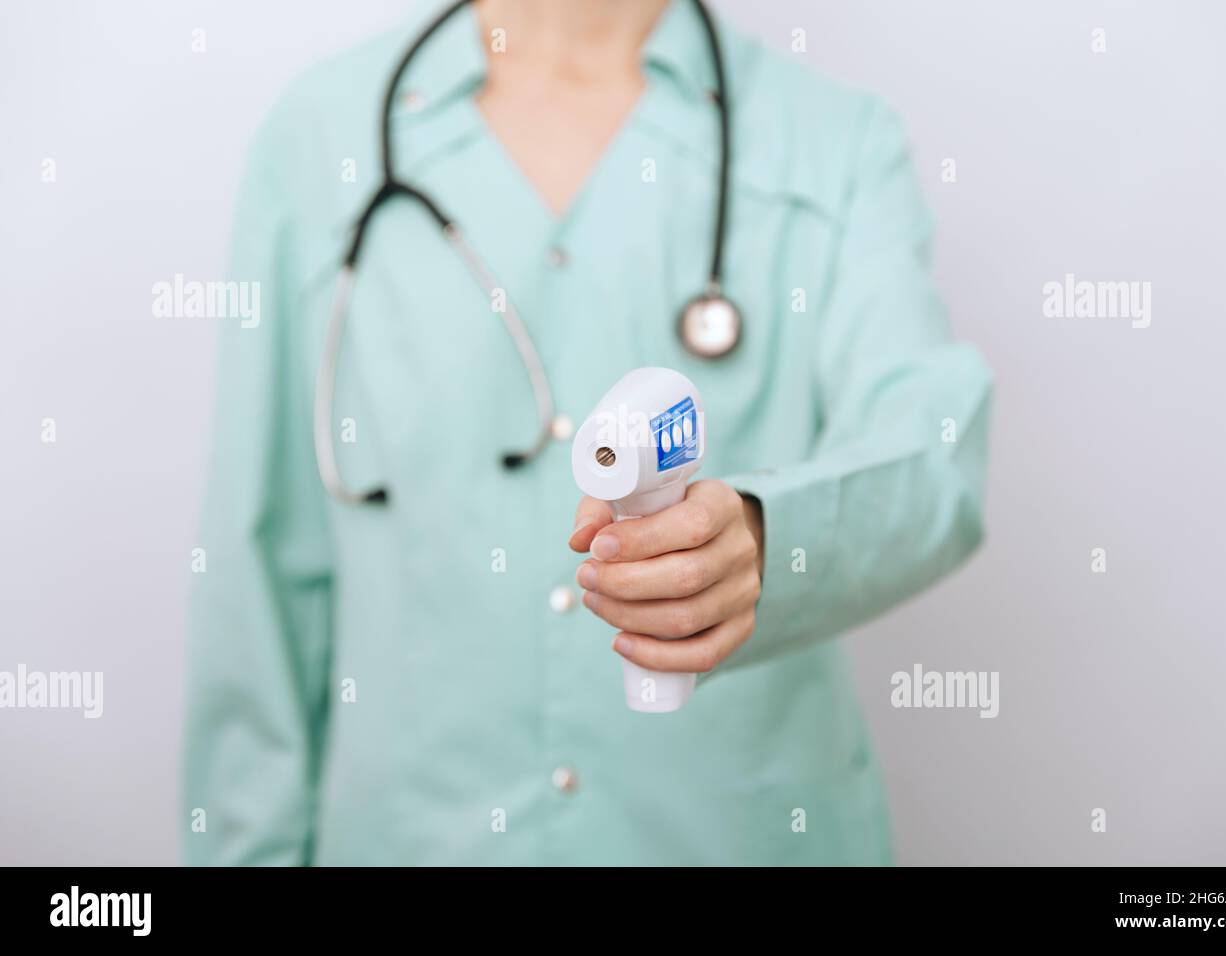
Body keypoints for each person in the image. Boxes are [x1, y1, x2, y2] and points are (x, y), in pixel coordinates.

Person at [182, 0, 992, 866]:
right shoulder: (316, 141)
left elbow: (933, 455)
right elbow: (259, 567)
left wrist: (767, 540)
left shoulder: (833, 142)